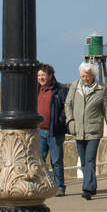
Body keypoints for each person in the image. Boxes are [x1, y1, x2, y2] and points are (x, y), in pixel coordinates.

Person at [65, 62, 107, 201]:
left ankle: (87, 188)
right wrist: (70, 121)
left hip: (93, 130)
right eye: (83, 76)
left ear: (93, 76)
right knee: (83, 161)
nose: (85, 79)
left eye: (88, 76)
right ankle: (92, 186)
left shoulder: (101, 89)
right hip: (78, 129)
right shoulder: (75, 86)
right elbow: (68, 104)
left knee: (89, 159)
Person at [37, 63, 68, 195]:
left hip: (54, 130)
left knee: (56, 160)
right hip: (39, 131)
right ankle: (43, 185)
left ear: (50, 75)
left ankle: (59, 186)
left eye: (43, 75)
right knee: (39, 160)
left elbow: (66, 109)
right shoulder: (36, 89)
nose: (41, 78)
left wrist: (59, 122)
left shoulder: (60, 89)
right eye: (39, 75)